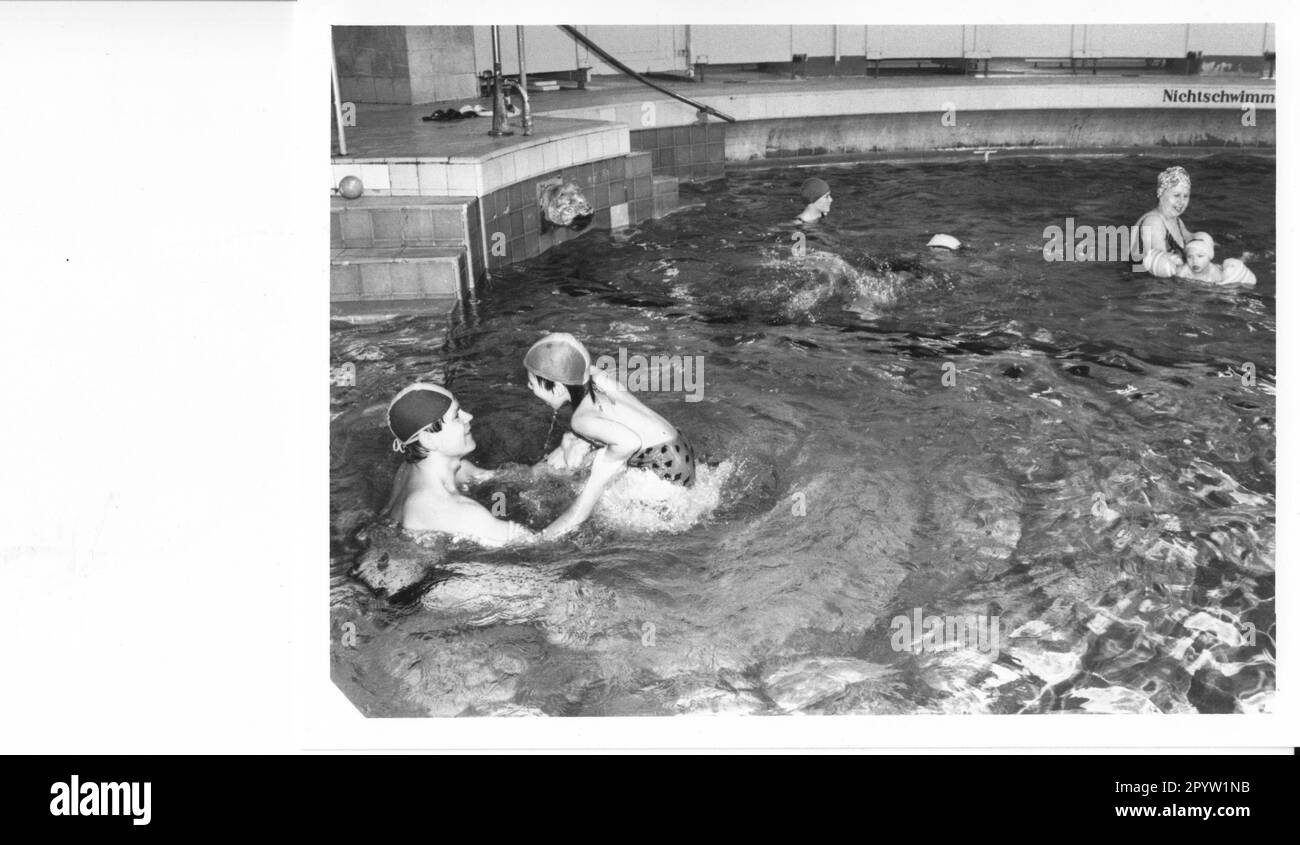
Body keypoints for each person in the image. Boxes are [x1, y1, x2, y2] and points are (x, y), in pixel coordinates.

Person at [381, 382, 622, 546]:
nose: (469, 417)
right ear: (428, 438)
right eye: (456, 416)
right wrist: (600, 479)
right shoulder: (449, 510)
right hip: (407, 602)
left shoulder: (418, 469)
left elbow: (503, 478)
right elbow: (541, 544)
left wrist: (559, 458)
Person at [524, 333, 698, 488]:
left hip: (663, 467)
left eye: (532, 383)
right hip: (679, 447)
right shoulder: (599, 379)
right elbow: (576, 359)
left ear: (558, 388)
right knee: (570, 444)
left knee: (579, 484)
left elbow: (630, 443)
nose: (529, 387)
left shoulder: (581, 420)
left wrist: (603, 468)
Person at [1135, 166, 1196, 277]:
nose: (1181, 202)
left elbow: (1192, 239)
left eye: (1186, 196)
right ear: (1161, 194)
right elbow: (1162, 265)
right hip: (1143, 285)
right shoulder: (1154, 222)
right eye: (1176, 195)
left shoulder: (1176, 221)